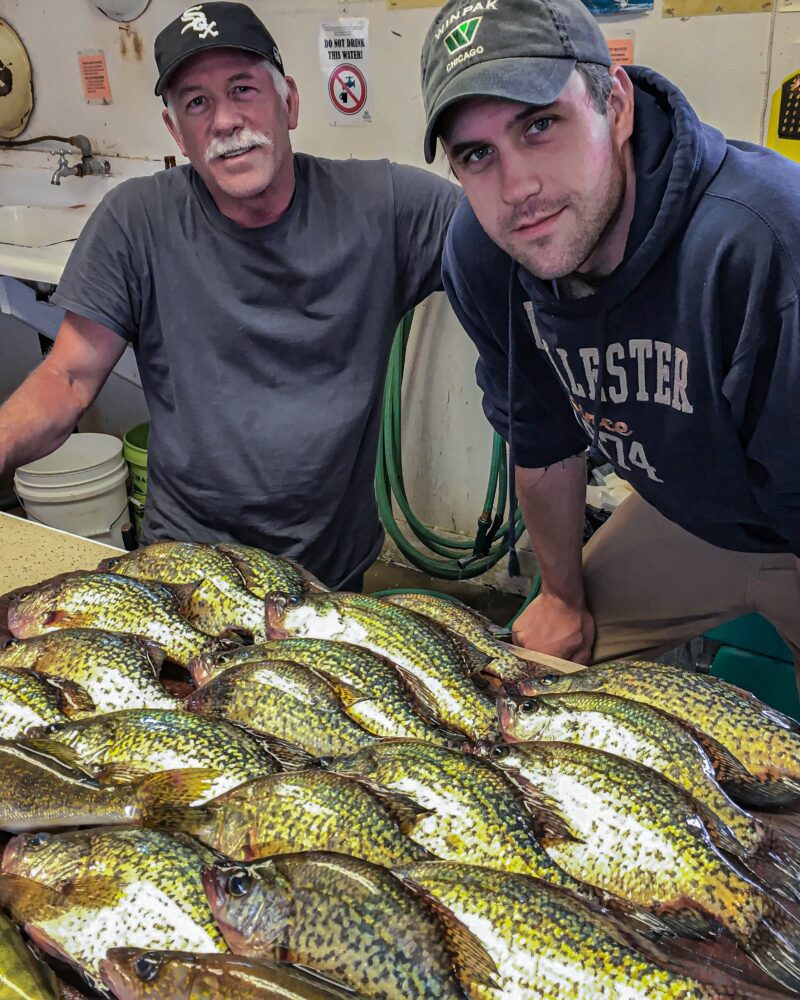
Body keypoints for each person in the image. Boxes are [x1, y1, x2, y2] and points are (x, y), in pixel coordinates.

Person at [0, 2, 460, 590]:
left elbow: (509, 243)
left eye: (243, 89)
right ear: (176, 131)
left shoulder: (385, 207)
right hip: (187, 570)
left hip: (327, 576)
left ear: (289, 102)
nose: (224, 120)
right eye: (196, 102)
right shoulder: (136, 221)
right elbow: (67, 377)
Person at [420, 0, 800, 675]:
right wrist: (564, 599)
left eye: (540, 125)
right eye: (477, 154)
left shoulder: (759, 244)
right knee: (526, 681)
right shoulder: (486, 252)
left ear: (615, 106)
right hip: (693, 513)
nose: (518, 189)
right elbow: (540, 437)